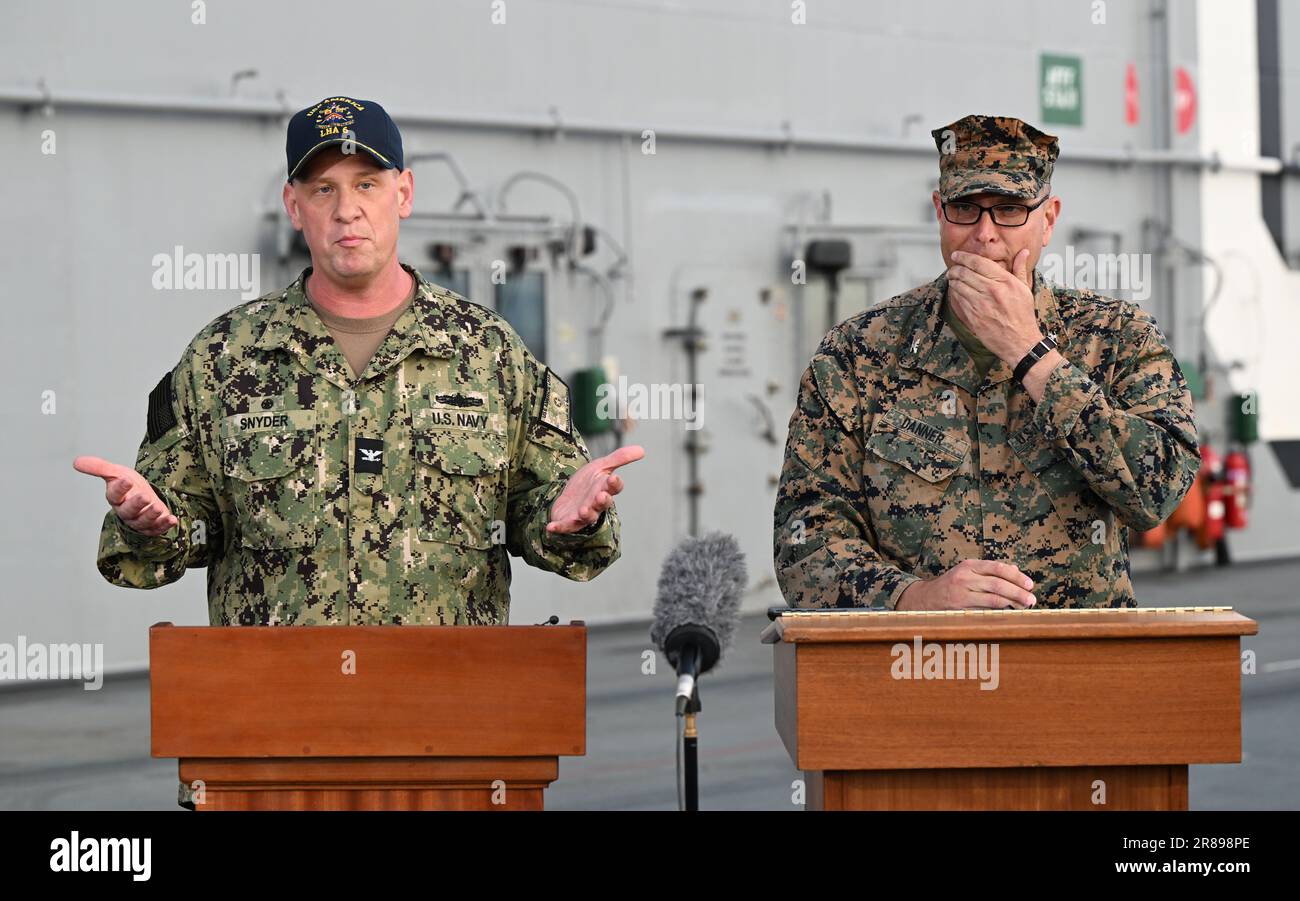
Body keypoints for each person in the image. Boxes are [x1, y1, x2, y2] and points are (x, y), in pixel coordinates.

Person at [75, 95, 643, 625]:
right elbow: (179, 533)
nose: (347, 210)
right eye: (324, 190)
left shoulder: (490, 352)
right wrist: (149, 525)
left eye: (367, 184)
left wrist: (570, 518)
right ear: (293, 206)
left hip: (448, 702)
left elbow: (543, 519)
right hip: (277, 704)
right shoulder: (223, 358)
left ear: (404, 194)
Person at [773, 114, 1198, 610]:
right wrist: (912, 597)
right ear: (939, 212)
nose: (985, 233)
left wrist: (1031, 354)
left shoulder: (1117, 337)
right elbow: (804, 537)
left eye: (1010, 210)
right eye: (965, 209)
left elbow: (1159, 493)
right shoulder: (857, 353)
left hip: (1077, 669)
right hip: (917, 666)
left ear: (1049, 219)